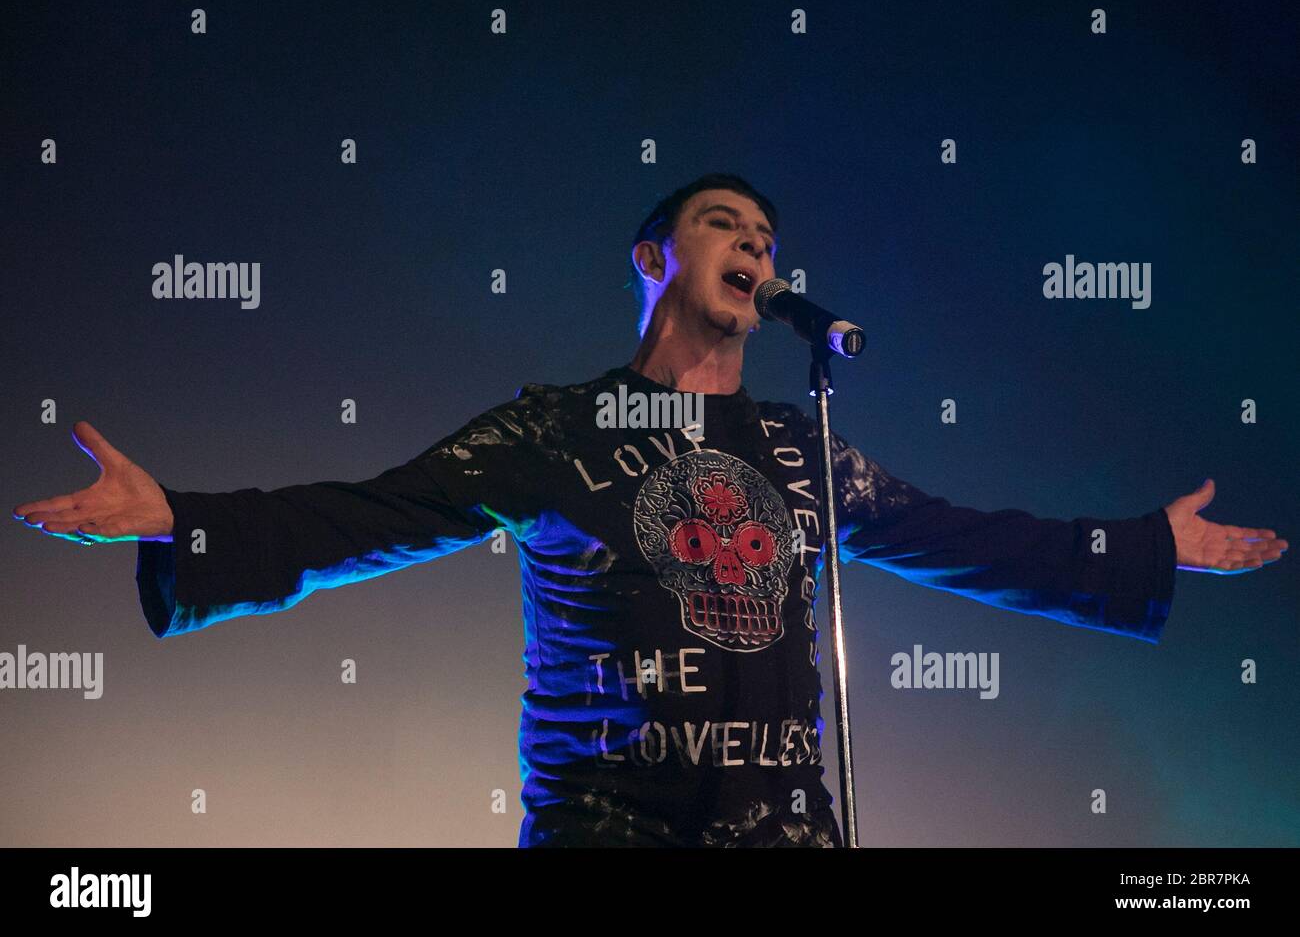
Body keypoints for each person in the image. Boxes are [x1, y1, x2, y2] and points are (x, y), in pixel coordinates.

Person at [12, 174, 1288, 848]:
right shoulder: (559, 429)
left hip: (784, 830)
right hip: (608, 832)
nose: (756, 246)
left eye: (767, 235)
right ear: (653, 258)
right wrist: (181, 515)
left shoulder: (800, 446)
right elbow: (375, 511)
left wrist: (1139, 544)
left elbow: (956, 536)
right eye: (722, 222)